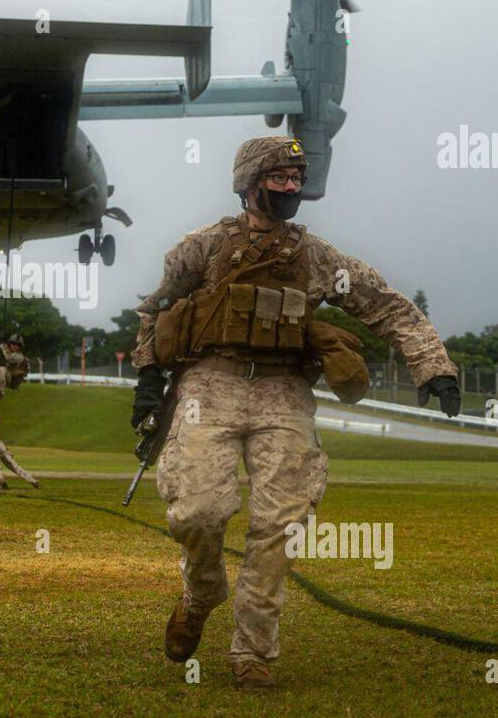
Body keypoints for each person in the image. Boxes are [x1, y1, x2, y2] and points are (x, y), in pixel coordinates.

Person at [130, 135, 462, 689]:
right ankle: (202, 590)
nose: (289, 188)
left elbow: (387, 306)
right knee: (198, 511)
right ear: (249, 182)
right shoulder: (204, 247)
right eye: (278, 177)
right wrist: (147, 382)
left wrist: (434, 367)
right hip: (209, 384)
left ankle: (252, 651)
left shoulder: (318, 258)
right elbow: (155, 310)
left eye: (295, 178)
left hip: (284, 392)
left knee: (282, 523)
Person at [0, 332, 29, 412]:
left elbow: (9, 358)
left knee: (2, 370)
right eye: (13, 343)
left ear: (20, 347)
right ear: (10, 343)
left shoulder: (19, 356)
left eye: (18, 345)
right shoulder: (2, 350)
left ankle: (0, 393)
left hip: (8, 378)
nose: (15, 346)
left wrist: (3, 347)